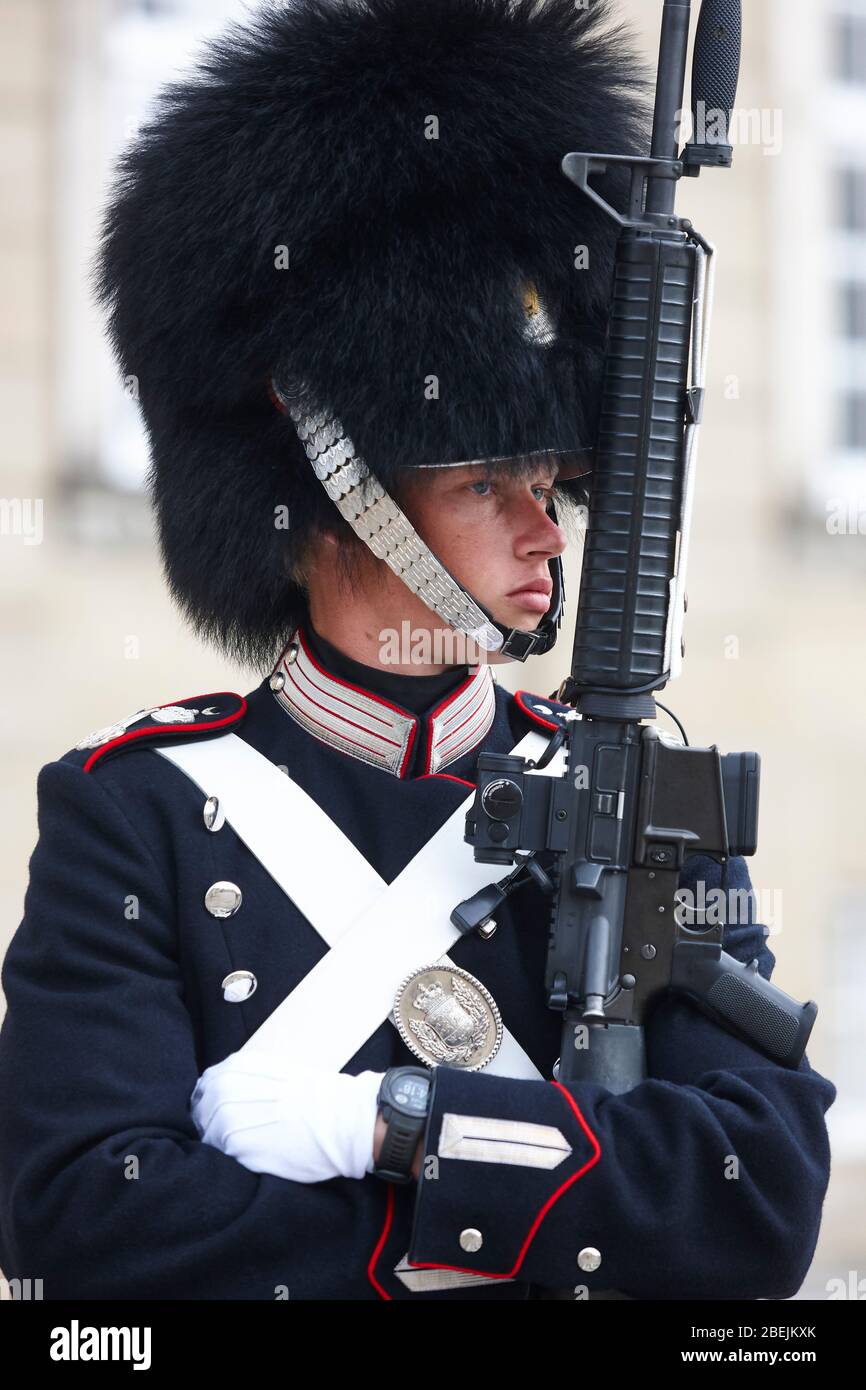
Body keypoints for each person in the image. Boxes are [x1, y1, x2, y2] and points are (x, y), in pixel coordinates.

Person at [0, 0, 835, 1301]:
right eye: (481, 482)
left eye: (549, 482)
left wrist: (395, 1128)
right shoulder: (134, 812)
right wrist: (520, 1212)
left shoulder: (648, 805)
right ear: (330, 476)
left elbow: (755, 1203)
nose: (540, 529)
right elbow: (86, 1210)